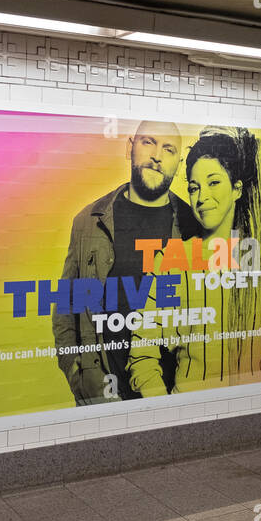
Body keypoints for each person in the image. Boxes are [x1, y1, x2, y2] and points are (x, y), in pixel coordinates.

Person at [127, 127, 261, 395]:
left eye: (214, 183)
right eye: (194, 188)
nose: (202, 197)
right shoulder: (169, 261)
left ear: (237, 189)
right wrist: (170, 414)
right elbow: (142, 356)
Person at [53, 120, 199, 404]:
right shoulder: (88, 221)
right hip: (102, 392)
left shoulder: (193, 227)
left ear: (178, 164)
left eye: (169, 149)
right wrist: (77, 374)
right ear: (129, 147)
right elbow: (65, 305)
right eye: (149, 142)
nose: (157, 156)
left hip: (168, 391)